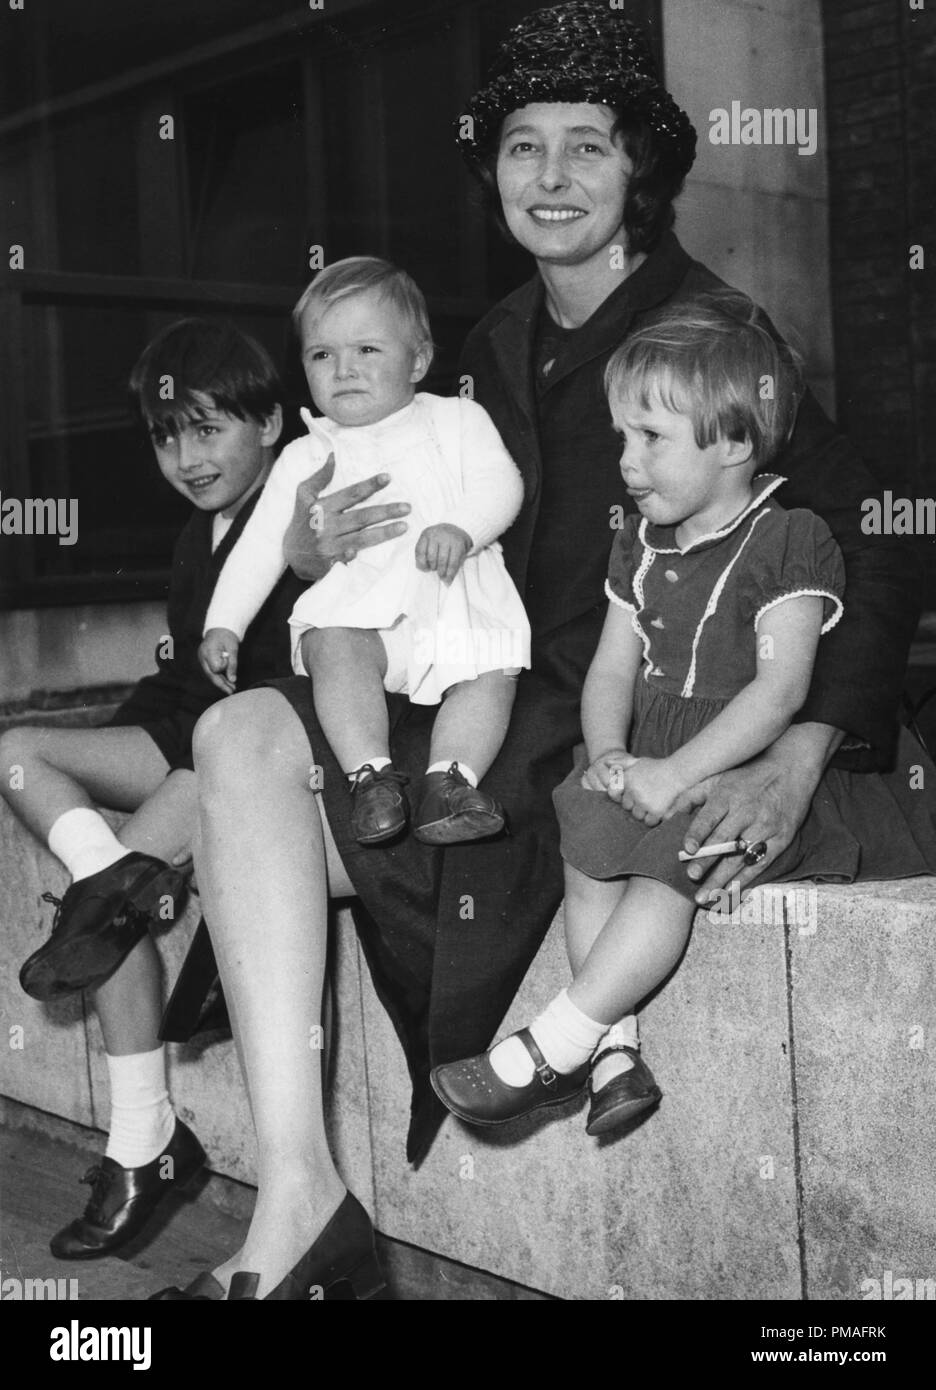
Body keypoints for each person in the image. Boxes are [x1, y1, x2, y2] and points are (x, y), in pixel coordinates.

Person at [153, 1, 920, 1300]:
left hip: (620, 729)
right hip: (486, 692)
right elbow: (405, 537)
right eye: (523, 146)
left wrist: (800, 751)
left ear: (642, 173)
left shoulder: (711, 327)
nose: (551, 178)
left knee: (268, 804)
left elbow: (872, 545)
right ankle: (300, 1195)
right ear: (493, 168)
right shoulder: (495, 337)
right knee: (237, 735)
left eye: (588, 147)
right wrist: (308, 546)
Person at [431, 293, 936, 1135]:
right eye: (623, 435)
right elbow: (610, 667)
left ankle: (554, 1041)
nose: (627, 461)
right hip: (659, 748)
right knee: (586, 836)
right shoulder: (640, 540)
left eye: (651, 438)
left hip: (739, 751)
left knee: (670, 866)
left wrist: (676, 773)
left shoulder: (788, 540)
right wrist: (609, 751)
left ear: (736, 441)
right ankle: (614, 1053)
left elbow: (777, 692)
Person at [0, 317, 301, 1261]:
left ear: (276, 424)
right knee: (19, 750)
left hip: (265, 745)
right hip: (186, 732)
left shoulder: (301, 522)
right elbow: (176, 688)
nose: (187, 455)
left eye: (211, 429)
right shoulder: (194, 536)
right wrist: (118, 739)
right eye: (170, 435)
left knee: (113, 901)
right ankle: (110, 887)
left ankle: (143, 1144)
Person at [199, 258, 530, 847]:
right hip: (363, 616)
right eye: (322, 354)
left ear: (419, 361)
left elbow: (501, 482)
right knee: (331, 645)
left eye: (367, 351)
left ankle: (450, 780)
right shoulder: (308, 454)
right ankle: (371, 777)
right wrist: (223, 623)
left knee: (489, 671)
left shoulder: (457, 419)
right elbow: (258, 549)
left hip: (456, 603)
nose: (343, 370)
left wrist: (463, 527)